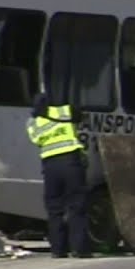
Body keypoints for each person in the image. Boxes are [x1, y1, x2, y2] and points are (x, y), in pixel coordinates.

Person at [26, 93, 92, 258]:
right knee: (77, 206)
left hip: (50, 166)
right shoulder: (63, 111)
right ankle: (80, 249)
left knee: (54, 209)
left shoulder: (32, 123)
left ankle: (58, 250)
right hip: (71, 162)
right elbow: (81, 115)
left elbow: (36, 140)